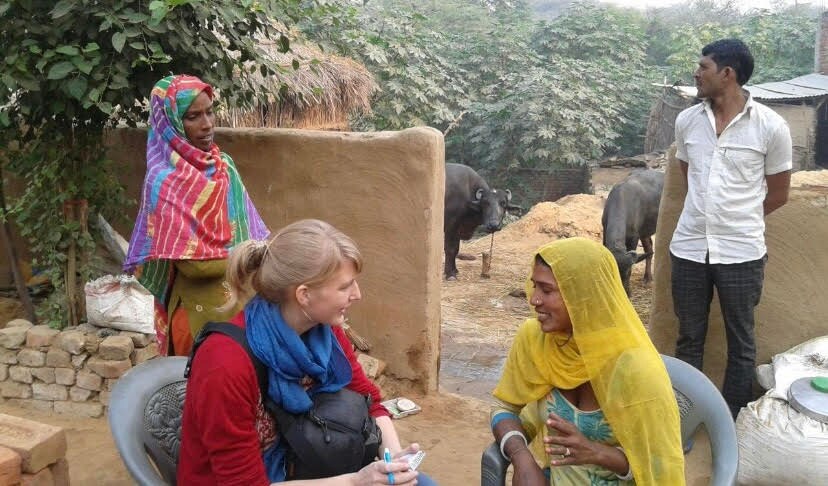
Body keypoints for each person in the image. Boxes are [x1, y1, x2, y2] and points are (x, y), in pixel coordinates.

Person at [178, 219, 436, 485]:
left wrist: (393, 460)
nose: (357, 294)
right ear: (304, 295)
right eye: (345, 286)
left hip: (307, 465)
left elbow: (369, 400)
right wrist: (354, 482)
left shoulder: (324, 331)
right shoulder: (225, 363)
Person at [490, 237, 685, 485]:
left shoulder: (634, 367)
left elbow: (660, 465)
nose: (533, 299)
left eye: (546, 290)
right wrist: (521, 457)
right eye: (534, 286)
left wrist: (599, 453)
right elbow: (505, 408)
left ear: (582, 297)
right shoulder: (536, 340)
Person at [671, 38, 792, 418]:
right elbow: (688, 175)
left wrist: (737, 221)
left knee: (741, 344)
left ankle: (731, 421)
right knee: (689, 340)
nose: (696, 73)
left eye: (703, 66)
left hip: (742, 252)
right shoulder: (687, 121)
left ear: (728, 74)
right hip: (689, 248)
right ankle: (684, 420)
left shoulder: (771, 126)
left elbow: (778, 194)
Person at [123, 74, 268, 356]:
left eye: (210, 112)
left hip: (238, 307)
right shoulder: (164, 180)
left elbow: (251, 236)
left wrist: (252, 252)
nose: (207, 124)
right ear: (171, 124)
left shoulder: (224, 167)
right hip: (196, 319)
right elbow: (195, 267)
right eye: (193, 116)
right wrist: (253, 254)